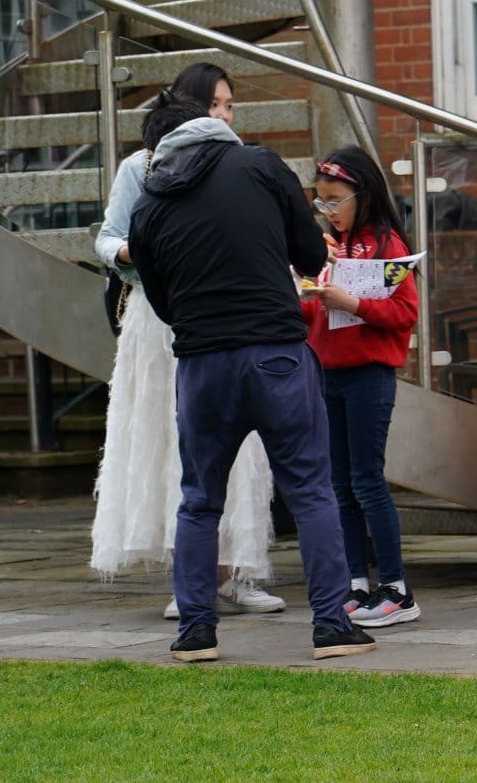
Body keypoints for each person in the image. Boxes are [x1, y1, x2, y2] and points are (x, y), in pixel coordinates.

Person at [129, 113, 373, 663]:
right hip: (276, 355)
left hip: (201, 367)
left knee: (198, 500)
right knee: (311, 489)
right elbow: (311, 254)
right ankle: (332, 627)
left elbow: (162, 301)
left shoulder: (149, 202)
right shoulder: (260, 165)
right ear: (223, 140)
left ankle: (195, 631)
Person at [89, 63, 283, 619]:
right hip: (161, 318)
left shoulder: (239, 162)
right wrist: (135, 254)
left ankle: (236, 570)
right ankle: (191, 578)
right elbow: (107, 238)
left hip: (227, 312)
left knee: (240, 446)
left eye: (230, 105)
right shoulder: (142, 165)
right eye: (217, 105)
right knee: (175, 444)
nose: (226, 115)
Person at [302, 147, 422, 628]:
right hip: (325, 374)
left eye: (335, 201)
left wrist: (350, 299)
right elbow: (312, 315)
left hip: (369, 375)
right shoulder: (325, 247)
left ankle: (396, 587)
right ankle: (354, 581)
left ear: (362, 195)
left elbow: (404, 314)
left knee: (368, 481)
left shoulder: (386, 244)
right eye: (321, 202)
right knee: (338, 484)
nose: (327, 211)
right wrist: (308, 290)